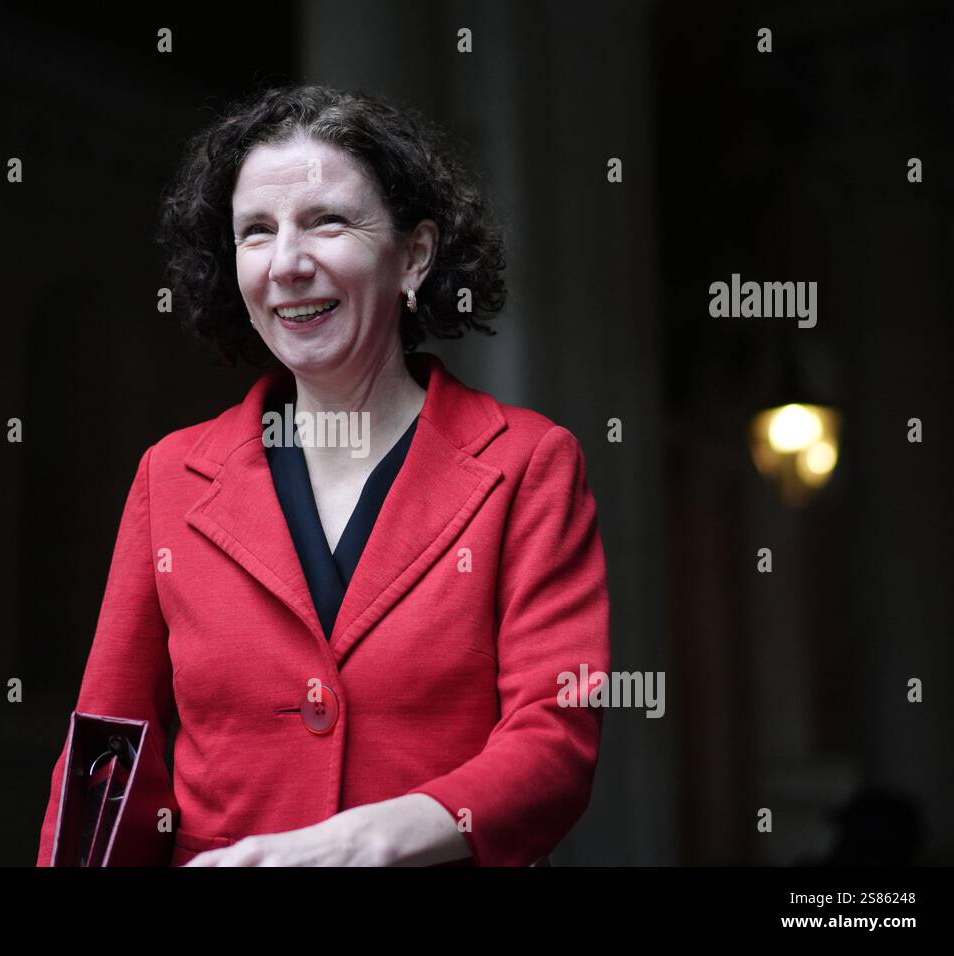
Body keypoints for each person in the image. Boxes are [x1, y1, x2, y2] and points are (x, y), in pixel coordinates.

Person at [36, 84, 611, 866]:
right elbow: (108, 754)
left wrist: (362, 843)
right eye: (256, 233)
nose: (288, 264)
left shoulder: (529, 464)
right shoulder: (170, 475)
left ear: (414, 255)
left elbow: (556, 738)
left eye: (326, 222)